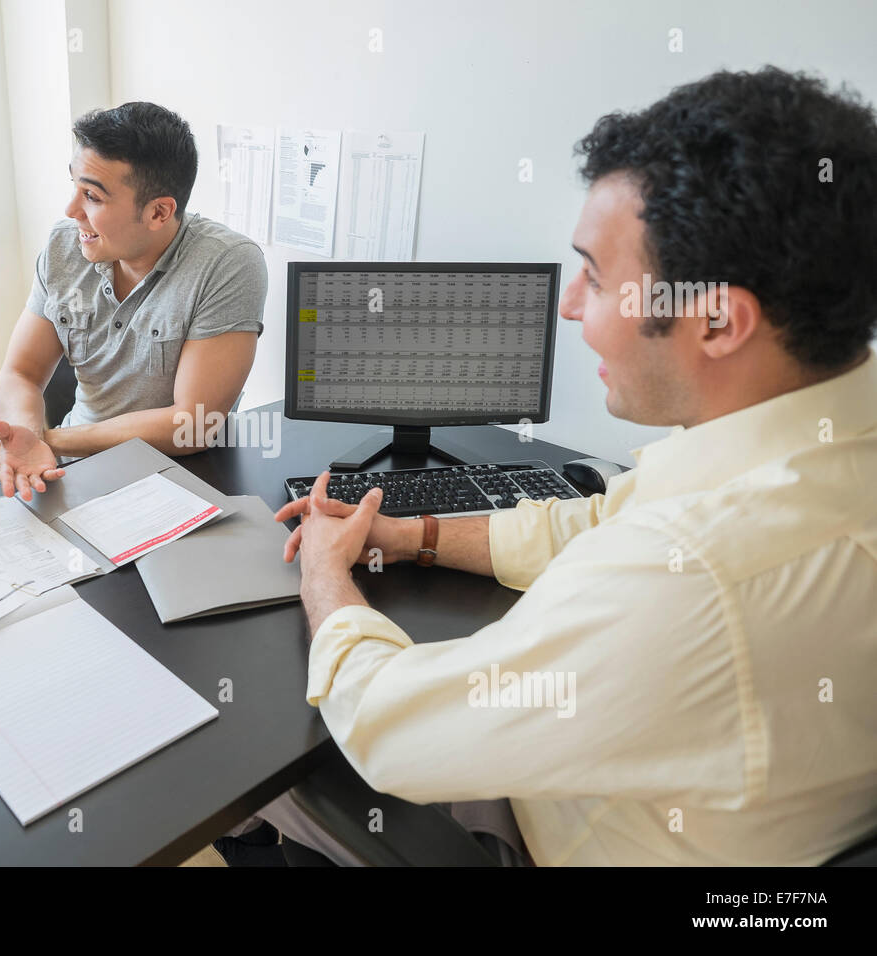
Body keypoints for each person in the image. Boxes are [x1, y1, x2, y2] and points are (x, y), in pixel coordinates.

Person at [254, 67, 877, 866]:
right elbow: (594, 516)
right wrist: (417, 535)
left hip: (578, 827)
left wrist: (324, 575)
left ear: (718, 318)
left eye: (599, 275)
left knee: (281, 763)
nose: (573, 303)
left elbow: (386, 724)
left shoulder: (688, 581)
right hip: (672, 783)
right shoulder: (807, 453)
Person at [0, 102, 267, 501]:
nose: (70, 210)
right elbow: (21, 373)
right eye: (74, 187)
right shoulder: (65, 246)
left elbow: (192, 423)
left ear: (158, 212)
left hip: (167, 475)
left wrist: (53, 439)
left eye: (92, 196)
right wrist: (26, 438)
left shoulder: (226, 264)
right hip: (62, 457)